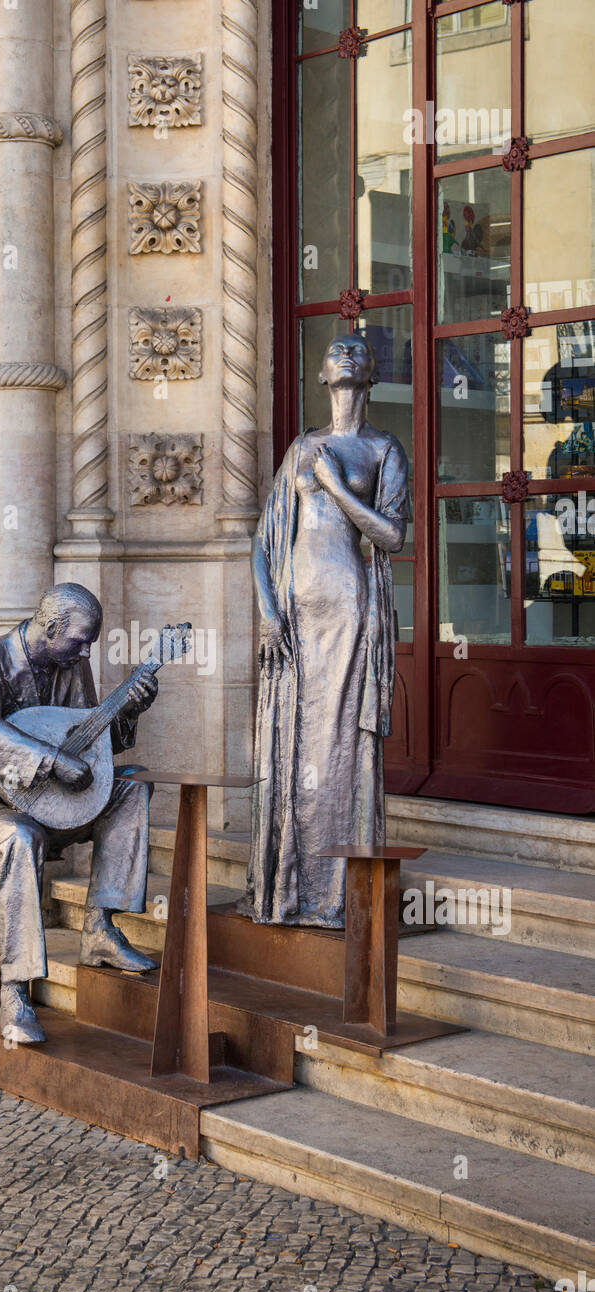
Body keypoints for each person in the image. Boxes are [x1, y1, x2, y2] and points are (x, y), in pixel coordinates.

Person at [239, 333, 410, 928]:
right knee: (295, 742)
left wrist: (337, 488)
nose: (345, 353)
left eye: (357, 350)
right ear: (319, 373)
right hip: (294, 615)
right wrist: (267, 612)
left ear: (370, 377)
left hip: (348, 611)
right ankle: (291, 885)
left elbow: (392, 537)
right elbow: (262, 542)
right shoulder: (302, 447)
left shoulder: (383, 449)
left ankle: (335, 890)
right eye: (334, 349)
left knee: (338, 743)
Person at [0, 583, 158, 1045]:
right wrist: (53, 761)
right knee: (19, 835)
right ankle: (17, 991)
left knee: (133, 784)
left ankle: (100, 928)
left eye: (90, 644)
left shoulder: (72, 665)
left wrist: (129, 712)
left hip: (56, 805)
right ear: (52, 626)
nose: (85, 652)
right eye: (80, 640)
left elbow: (92, 744)